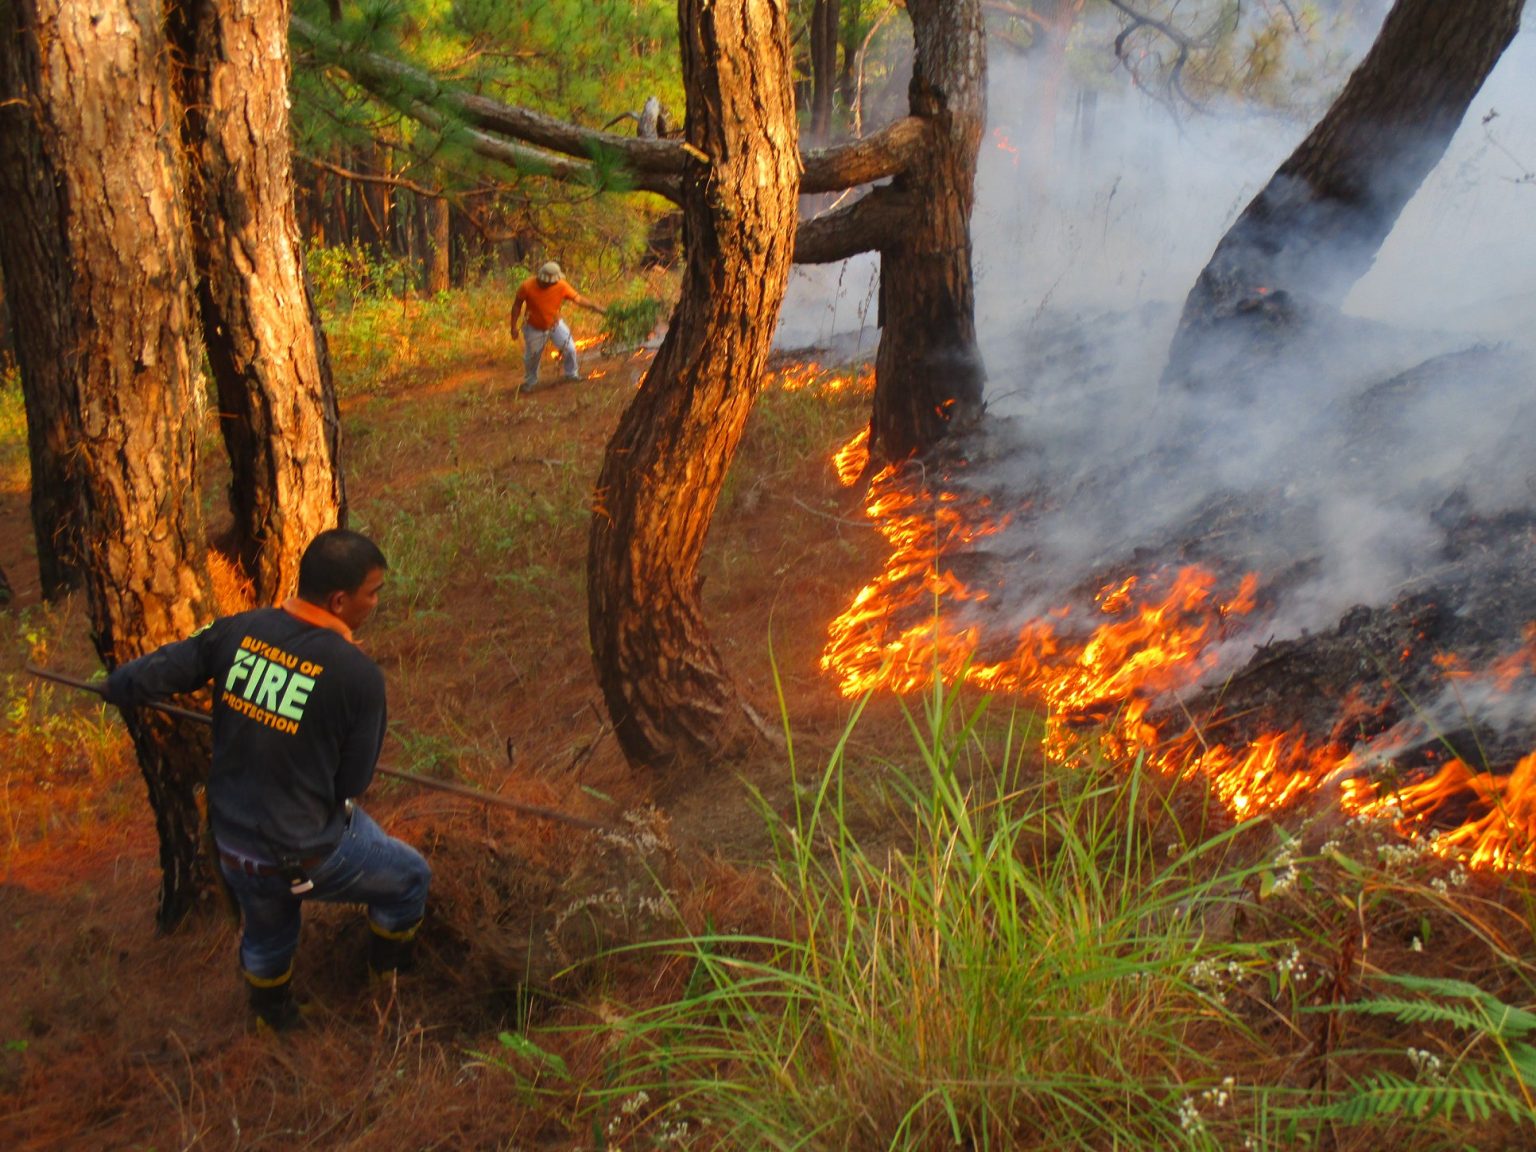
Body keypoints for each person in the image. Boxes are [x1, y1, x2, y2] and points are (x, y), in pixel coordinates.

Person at [104, 529, 430, 1032]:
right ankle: (387, 984)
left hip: (232, 845)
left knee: (267, 932)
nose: (376, 601)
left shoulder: (239, 629)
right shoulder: (357, 676)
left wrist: (117, 685)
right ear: (340, 600)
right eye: (374, 592)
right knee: (410, 878)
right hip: (302, 852)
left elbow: (164, 667)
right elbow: (352, 781)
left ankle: (272, 1020)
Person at [509, 260, 606, 393]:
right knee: (532, 357)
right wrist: (513, 327)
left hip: (555, 324)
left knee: (570, 348)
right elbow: (516, 305)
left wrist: (597, 308)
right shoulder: (527, 286)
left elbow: (578, 299)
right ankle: (530, 382)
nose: (555, 282)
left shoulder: (561, 285)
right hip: (533, 327)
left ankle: (571, 374)